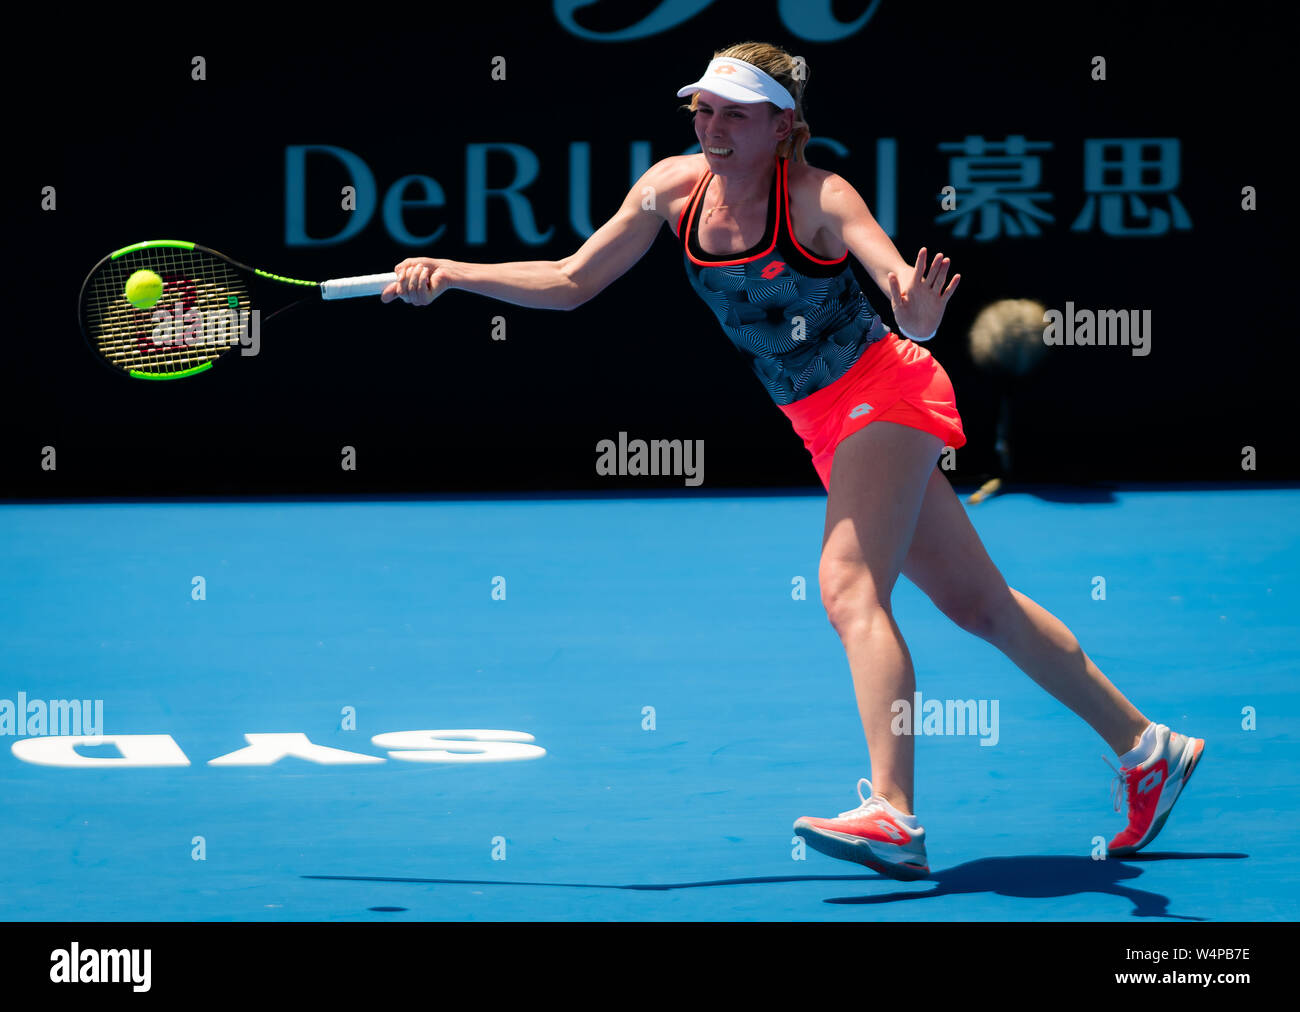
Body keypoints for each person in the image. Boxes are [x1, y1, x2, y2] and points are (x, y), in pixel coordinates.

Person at [381, 41, 1203, 881]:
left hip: (885, 392)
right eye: (703, 108)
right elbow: (569, 279)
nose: (712, 125)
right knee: (978, 605)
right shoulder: (670, 189)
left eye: (735, 112)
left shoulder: (818, 196)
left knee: (849, 590)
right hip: (821, 421)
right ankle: (1146, 748)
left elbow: (900, 296)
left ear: (784, 125)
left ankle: (893, 810)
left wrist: (917, 314)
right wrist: (451, 273)